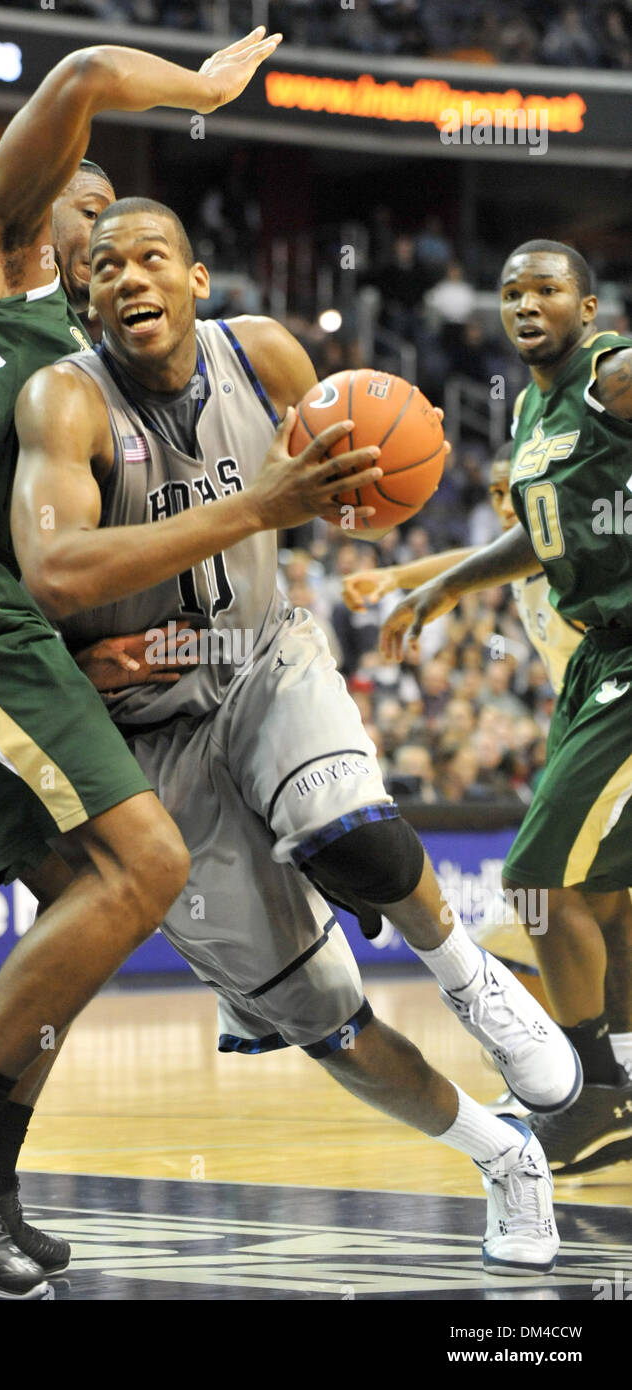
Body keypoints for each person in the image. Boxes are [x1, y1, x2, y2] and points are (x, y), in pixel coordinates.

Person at [9, 197, 586, 1276]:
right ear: (82, 295)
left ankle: (475, 984)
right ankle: (502, 1154)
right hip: (140, 742)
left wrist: (374, 482)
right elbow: (54, 573)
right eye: (105, 269)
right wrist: (256, 508)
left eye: (151, 260)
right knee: (328, 1022)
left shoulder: (262, 351)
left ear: (198, 282)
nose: (129, 279)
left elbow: (366, 466)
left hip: (259, 657)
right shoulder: (62, 402)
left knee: (350, 831)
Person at [0, 30, 284, 1300]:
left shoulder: (79, 380)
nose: (94, 209)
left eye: (123, 219)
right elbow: (77, 80)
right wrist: (197, 91)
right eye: (84, 197)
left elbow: (57, 560)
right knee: (150, 865)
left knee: (90, 898)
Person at [381, 240, 632, 1175]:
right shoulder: (532, 407)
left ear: (590, 306)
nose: (528, 304)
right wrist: (439, 588)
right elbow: (541, 536)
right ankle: (622, 1085)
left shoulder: (613, 377)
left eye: (549, 289)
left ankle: (593, 1092)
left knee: (533, 881)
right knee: (607, 894)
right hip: (595, 659)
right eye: (513, 292)